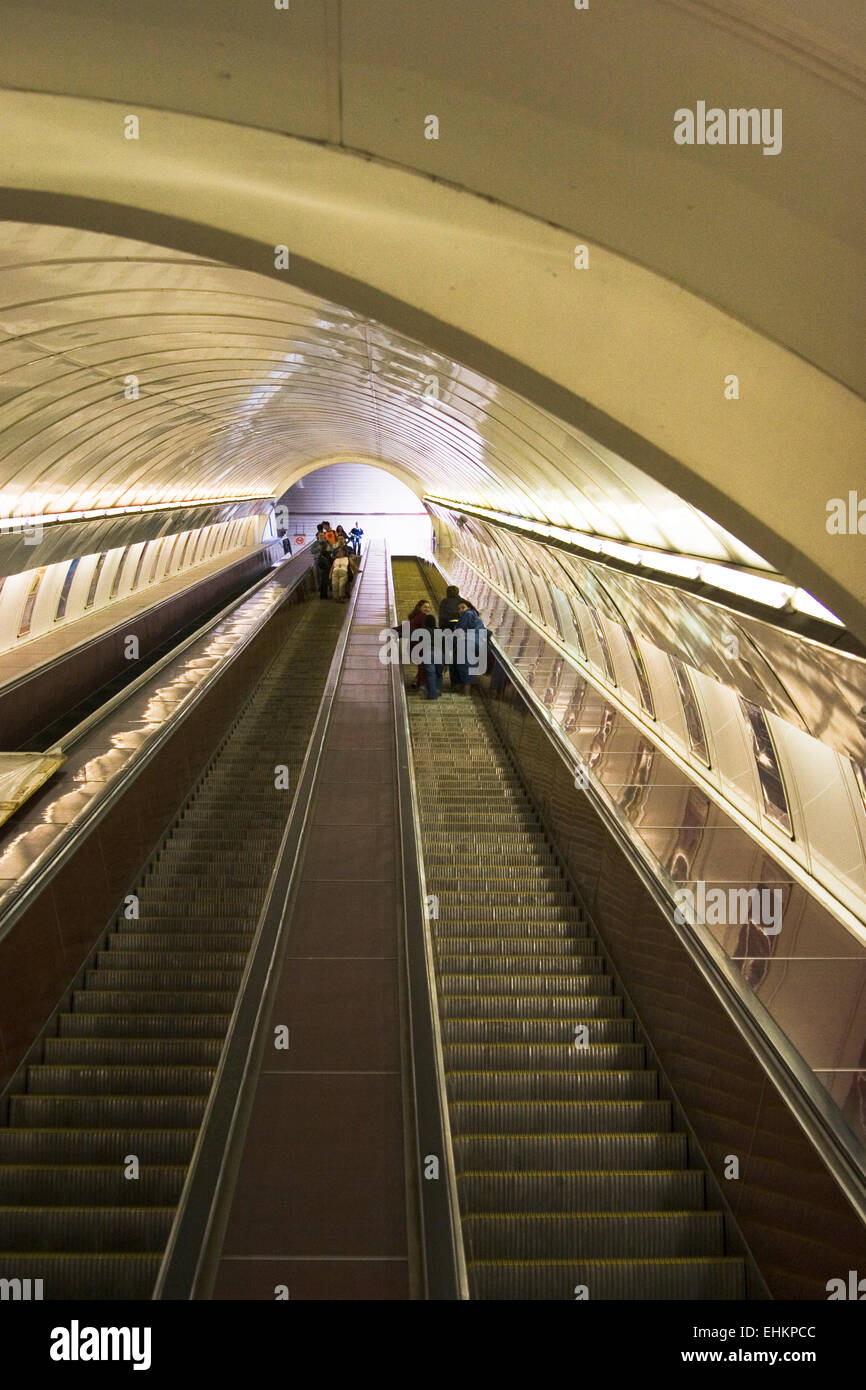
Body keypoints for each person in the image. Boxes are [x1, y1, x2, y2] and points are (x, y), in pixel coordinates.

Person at [453, 601, 487, 692]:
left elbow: (460, 630)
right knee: (469, 663)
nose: (461, 610)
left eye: (463, 607)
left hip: (470, 640)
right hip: (478, 642)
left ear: (469, 607)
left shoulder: (467, 614)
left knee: (464, 664)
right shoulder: (475, 616)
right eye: (459, 609)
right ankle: (465, 688)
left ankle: (465, 689)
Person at [439, 584, 467, 689]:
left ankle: (451, 681)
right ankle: (459, 682)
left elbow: (441, 617)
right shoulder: (463, 602)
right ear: (458, 592)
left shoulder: (444, 602)